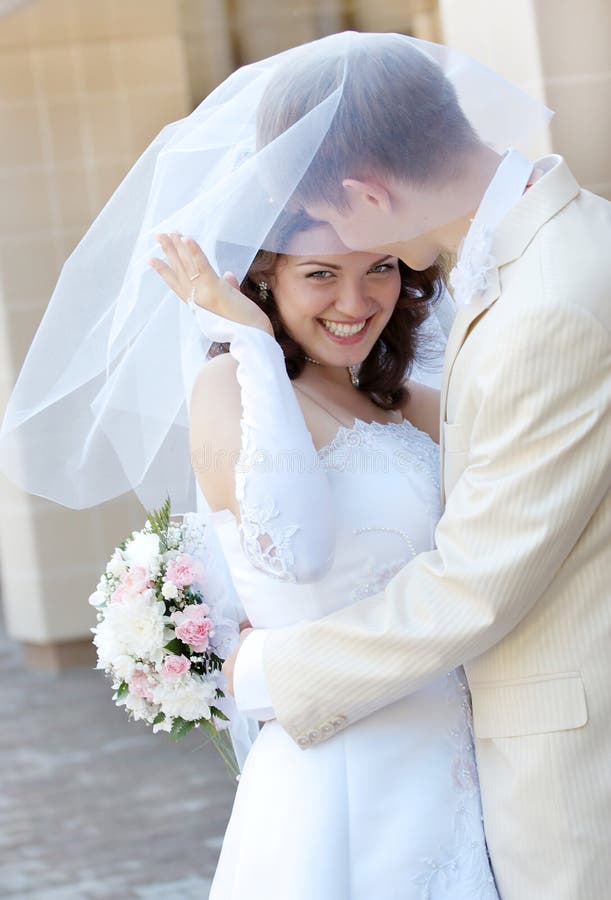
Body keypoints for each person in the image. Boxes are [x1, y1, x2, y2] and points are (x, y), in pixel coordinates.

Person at [213, 33, 611, 900]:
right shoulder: (563, 247)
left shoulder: (547, 302)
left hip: (568, 776)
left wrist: (266, 672)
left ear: (362, 194)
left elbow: (477, 583)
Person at [150, 217, 499, 898]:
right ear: (262, 280)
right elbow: (296, 552)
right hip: (339, 773)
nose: (356, 299)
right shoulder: (228, 387)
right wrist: (250, 344)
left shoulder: (409, 407)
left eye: (381, 267)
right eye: (319, 274)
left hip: (458, 765)